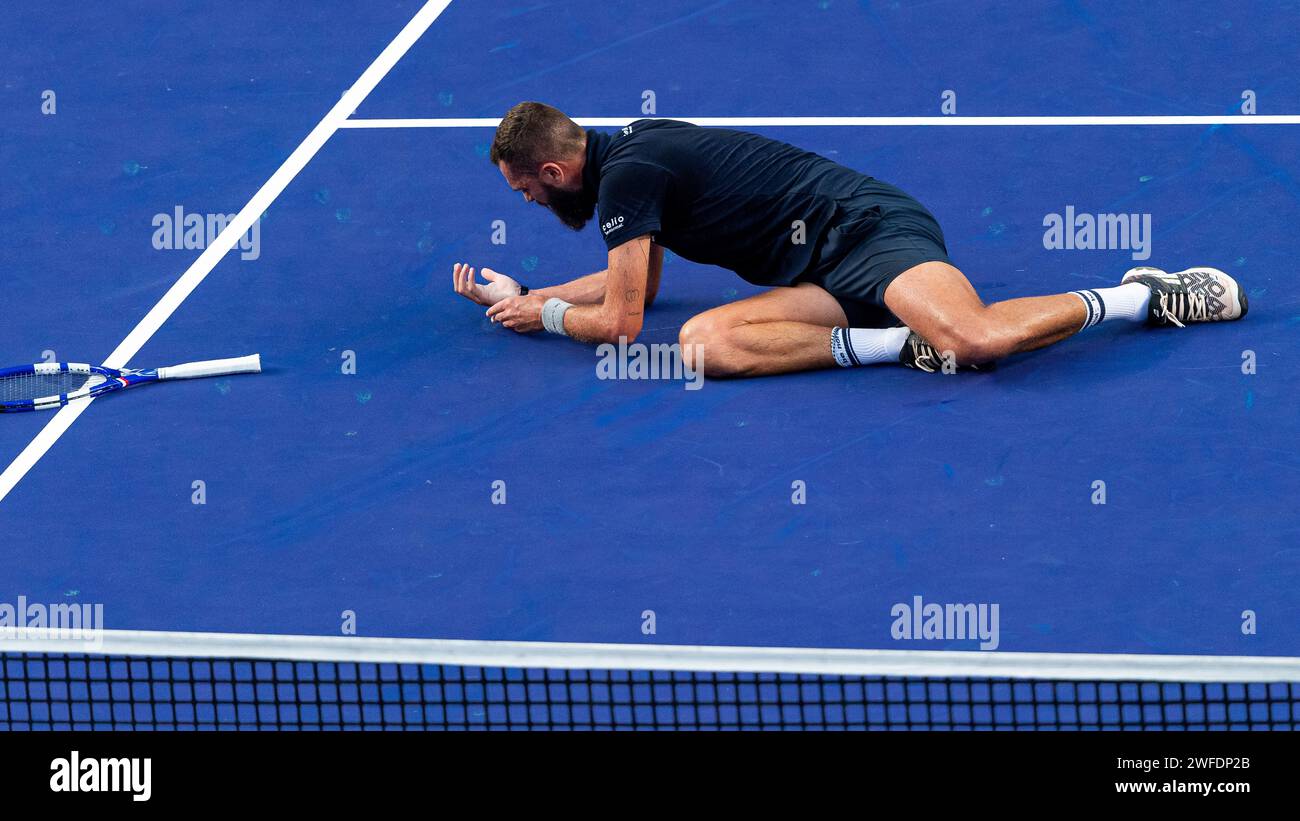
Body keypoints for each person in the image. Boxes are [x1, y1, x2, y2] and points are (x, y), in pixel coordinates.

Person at [452, 101, 1247, 377]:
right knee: (701, 345)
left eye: (523, 187)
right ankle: (904, 345)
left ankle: (1144, 293)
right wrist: (528, 298)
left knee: (977, 341)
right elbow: (642, 291)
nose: (524, 200)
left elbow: (623, 322)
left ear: (555, 170)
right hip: (821, 274)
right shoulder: (626, 157)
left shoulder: (627, 178)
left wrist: (548, 319)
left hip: (865, 231)